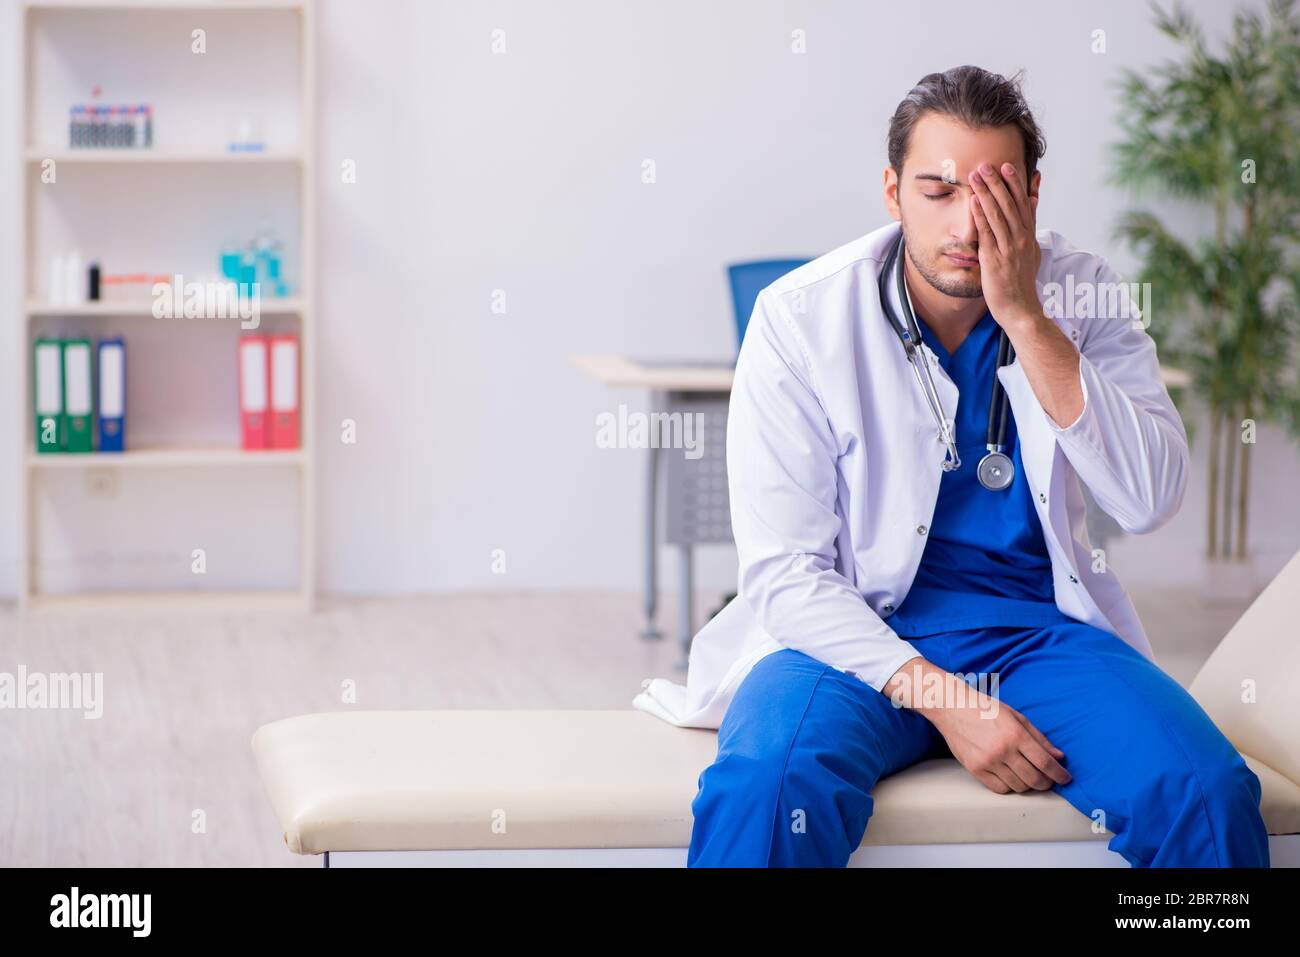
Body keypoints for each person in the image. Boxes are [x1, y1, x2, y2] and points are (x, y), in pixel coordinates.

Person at [632, 65, 1269, 868]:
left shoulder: (1084, 297)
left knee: (1206, 795)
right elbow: (788, 574)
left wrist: (1029, 321)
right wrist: (947, 701)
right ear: (893, 192)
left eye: (993, 192)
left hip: (1037, 637)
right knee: (768, 790)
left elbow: (1149, 498)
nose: (968, 223)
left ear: (1033, 196)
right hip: (849, 638)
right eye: (938, 190)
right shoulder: (800, 319)